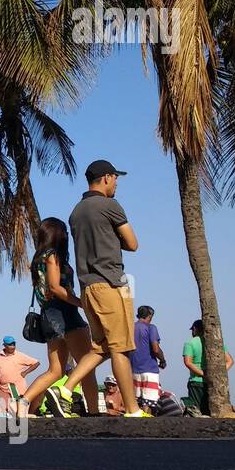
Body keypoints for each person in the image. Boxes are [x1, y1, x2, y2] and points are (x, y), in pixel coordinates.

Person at [47, 160, 149, 418]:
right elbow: (133, 243)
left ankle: (66, 390)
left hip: (88, 288)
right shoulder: (110, 206)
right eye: (115, 178)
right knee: (121, 348)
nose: (116, 184)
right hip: (111, 284)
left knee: (101, 347)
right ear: (106, 178)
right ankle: (134, 410)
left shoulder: (76, 211)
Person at [17, 218, 99, 417]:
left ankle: (23, 402)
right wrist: (81, 303)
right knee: (86, 365)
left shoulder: (38, 259)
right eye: (64, 232)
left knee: (56, 370)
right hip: (65, 314)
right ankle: (95, 412)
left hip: (48, 316)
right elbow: (55, 287)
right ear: (57, 234)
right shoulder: (52, 255)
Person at [182, 319, 233, 416]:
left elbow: (188, 362)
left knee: (196, 412)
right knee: (209, 412)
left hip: (196, 382)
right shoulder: (216, 343)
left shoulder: (190, 343)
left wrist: (203, 374)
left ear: (195, 329)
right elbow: (230, 361)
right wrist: (217, 375)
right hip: (214, 383)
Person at [131, 305, 167, 413]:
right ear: (150, 315)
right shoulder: (151, 328)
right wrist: (163, 360)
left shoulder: (131, 327)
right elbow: (155, 349)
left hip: (133, 368)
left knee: (136, 401)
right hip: (149, 369)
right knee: (148, 402)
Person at [0, 336, 38, 413]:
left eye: (14, 344)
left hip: (16, 388)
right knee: (4, 408)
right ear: (4, 345)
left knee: (17, 409)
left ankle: (19, 422)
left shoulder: (20, 355)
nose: (12, 346)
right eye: (10, 345)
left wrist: (25, 372)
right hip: (3, 387)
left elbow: (36, 363)